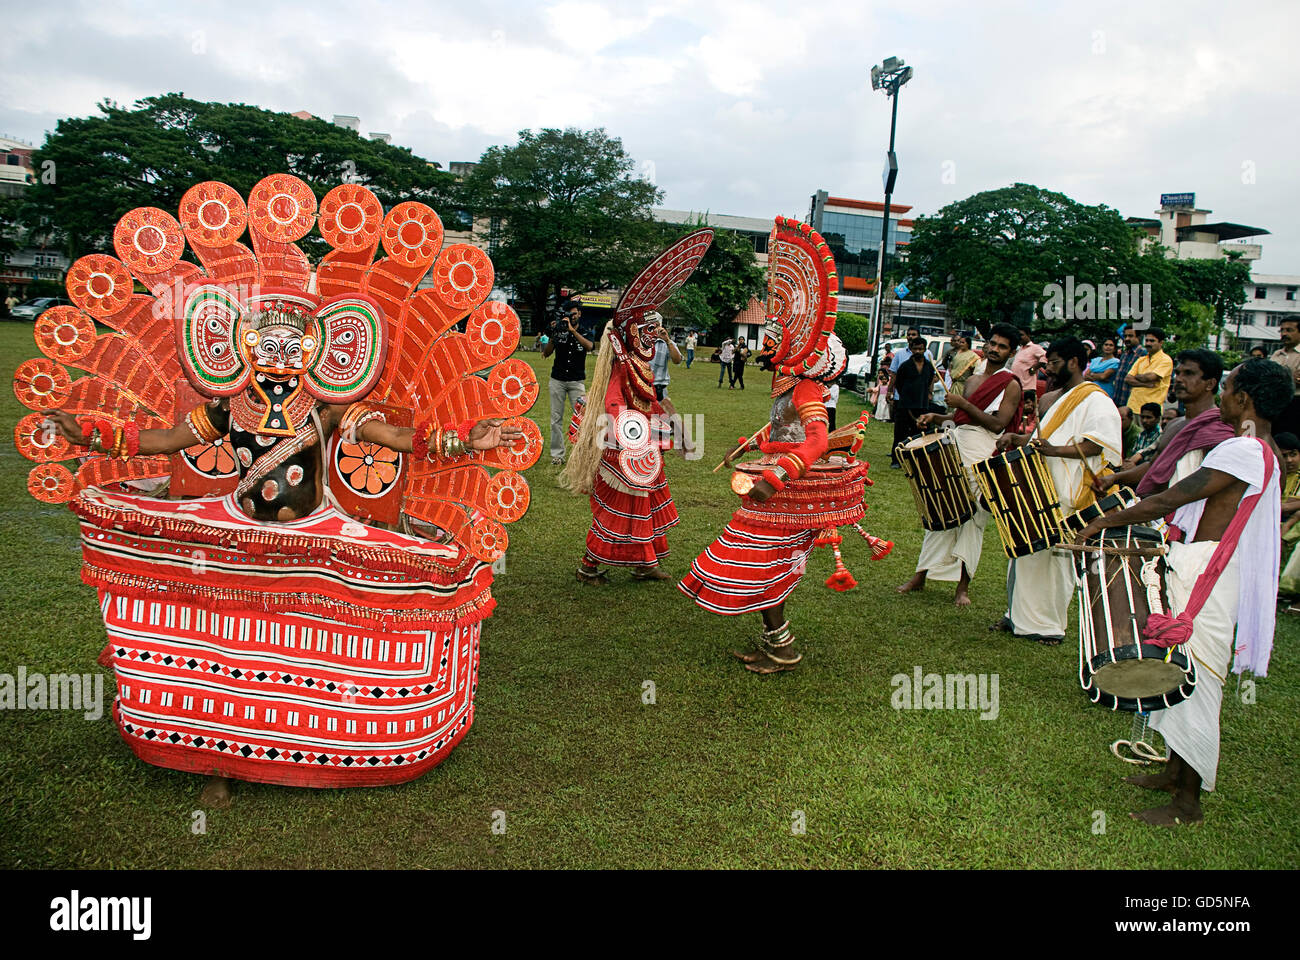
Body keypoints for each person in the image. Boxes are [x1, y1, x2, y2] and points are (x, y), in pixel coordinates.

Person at [32, 174, 529, 806]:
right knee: (214, 642)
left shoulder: (328, 411)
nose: (276, 357)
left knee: (359, 613)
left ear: (322, 355)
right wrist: (91, 433)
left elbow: (392, 438)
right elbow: (159, 444)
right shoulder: (226, 411)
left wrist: (464, 441)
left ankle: (338, 739)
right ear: (238, 348)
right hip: (236, 528)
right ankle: (217, 755)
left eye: (291, 346)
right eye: (265, 344)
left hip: (313, 533)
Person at [1074, 358, 1292, 826]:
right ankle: (1174, 771)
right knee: (1183, 668)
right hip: (1212, 566)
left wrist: (1102, 522)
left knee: (1198, 683)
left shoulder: (1245, 450)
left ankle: (1186, 804)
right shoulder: (1260, 447)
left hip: (1210, 574)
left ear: (1245, 398)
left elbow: (1174, 498)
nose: (1226, 397)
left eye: (1230, 388)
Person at [680, 215, 868, 674]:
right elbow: (782, 431)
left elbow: (818, 440)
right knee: (762, 562)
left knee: (762, 563)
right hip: (772, 483)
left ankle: (782, 647)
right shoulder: (787, 384)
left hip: (784, 491)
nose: (765, 343)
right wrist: (746, 448)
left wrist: (778, 474)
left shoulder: (805, 388)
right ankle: (775, 642)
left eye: (772, 337)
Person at [562, 231, 714, 585]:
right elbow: (615, 401)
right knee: (621, 509)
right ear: (631, 333)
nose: (652, 335)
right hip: (624, 448)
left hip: (642, 447)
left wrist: (676, 429)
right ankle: (589, 566)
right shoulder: (622, 365)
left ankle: (644, 563)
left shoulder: (640, 364)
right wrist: (630, 435)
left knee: (644, 505)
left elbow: (653, 400)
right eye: (647, 330)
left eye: (655, 329)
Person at [991, 338, 1122, 643]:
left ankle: (1048, 626)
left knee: (1053, 561)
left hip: (1067, 490)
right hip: (1040, 485)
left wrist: (1053, 451)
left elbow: (1097, 444)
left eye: (1054, 363)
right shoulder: (1057, 398)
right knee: (1024, 552)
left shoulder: (1096, 400)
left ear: (1074, 362)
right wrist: (1016, 438)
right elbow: (1043, 439)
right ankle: (1016, 617)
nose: (1047, 369)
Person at [898, 323, 1023, 607]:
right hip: (958, 447)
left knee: (974, 518)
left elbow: (997, 424)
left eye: (1002, 346)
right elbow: (962, 417)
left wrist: (963, 407)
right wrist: (936, 416)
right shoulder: (973, 380)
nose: (994, 349)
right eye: (992, 343)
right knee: (941, 508)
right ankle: (921, 576)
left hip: (984, 453)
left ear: (1011, 352)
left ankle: (962, 588)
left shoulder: (1011, 384)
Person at [1100, 350, 1234, 499]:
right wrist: (1114, 478)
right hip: (1157, 510)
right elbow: (1154, 466)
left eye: (1188, 373)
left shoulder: (1219, 428)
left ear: (1210, 384)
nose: (1179, 379)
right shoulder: (1174, 424)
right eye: (1178, 373)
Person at [543, 301, 595, 465]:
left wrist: (573, 331)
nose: (570, 317)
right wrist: (554, 334)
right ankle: (558, 455)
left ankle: (581, 454)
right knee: (556, 418)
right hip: (557, 379)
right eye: (568, 314)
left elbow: (589, 347)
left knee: (582, 418)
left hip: (576, 380)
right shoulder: (559, 330)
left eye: (573, 314)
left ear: (579, 314)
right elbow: (546, 353)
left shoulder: (585, 331)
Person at [890, 336, 937, 468]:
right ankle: (896, 459)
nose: (917, 351)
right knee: (900, 433)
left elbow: (929, 382)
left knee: (919, 433)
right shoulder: (905, 366)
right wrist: (905, 395)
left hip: (921, 404)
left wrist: (926, 394)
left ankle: (916, 459)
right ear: (911, 349)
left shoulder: (928, 366)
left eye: (920, 349)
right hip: (905, 404)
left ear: (924, 349)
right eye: (915, 349)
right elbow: (898, 383)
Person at [1124, 328, 1173, 414]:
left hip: (1151, 412)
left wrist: (1136, 377)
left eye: (1152, 341)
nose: (1148, 343)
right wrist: (1145, 384)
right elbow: (1127, 379)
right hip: (1133, 407)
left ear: (1161, 343)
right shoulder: (1141, 359)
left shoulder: (1166, 360)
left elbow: (1151, 377)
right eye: (1146, 340)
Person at [1269, 317, 1300, 437]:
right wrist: (1289, 378)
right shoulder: (1277, 354)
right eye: (1282, 330)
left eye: (1289, 330)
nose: (1284, 334)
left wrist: (1275, 380)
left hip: (1296, 405)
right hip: (1276, 405)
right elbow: (1265, 379)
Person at [1112, 324, 1147, 410]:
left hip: (1132, 403)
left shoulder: (1143, 354)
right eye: (1125, 336)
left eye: (1130, 336)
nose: (1127, 339)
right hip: (1118, 399)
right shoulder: (1125, 353)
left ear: (1138, 337)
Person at [649, 311, 682, 401]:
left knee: (660, 415)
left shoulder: (666, 343)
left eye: (655, 325)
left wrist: (667, 341)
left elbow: (677, 360)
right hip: (640, 389)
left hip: (659, 391)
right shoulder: (637, 342)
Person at [1010, 326, 1046, 404]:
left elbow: (1046, 356)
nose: (1019, 337)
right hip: (1016, 387)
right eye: (1018, 335)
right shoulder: (1020, 349)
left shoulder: (1035, 348)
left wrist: (1035, 367)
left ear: (1028, 335)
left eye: (1022, 335)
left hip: (1027, 388)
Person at [948, 333, 979, 398]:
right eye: (960, 342)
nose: (960, 344)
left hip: (964, 386)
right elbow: (951, 366)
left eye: (962, 342)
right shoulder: (957, 354)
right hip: (954, 384)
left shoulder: (973, 356)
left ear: (968, 344)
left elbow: (976, 373)